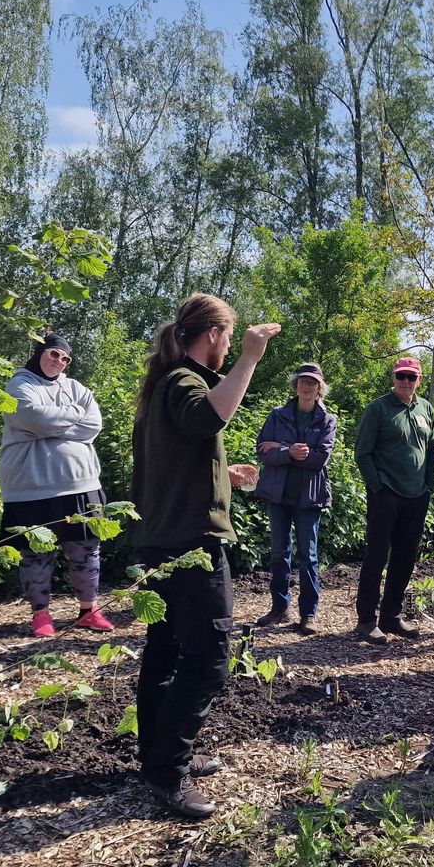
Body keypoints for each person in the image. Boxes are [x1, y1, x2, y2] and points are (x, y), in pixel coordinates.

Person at [131, 293, 280, 818]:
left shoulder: (163, 388)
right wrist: (251, 358)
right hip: (189, 544)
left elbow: (186, 449)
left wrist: (225, 474)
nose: (230, 347)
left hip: (161, 538)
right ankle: (168, 774)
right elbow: (208, 419)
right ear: (214, 335)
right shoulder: (183, 382)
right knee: (210, 659)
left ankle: (157, 756)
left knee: (168, 650)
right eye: (229, 336)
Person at [0, 332, 113, 637]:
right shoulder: (19, 385)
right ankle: (41, 615)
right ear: (39, 352)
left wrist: (52, 425)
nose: (59, 362)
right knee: (36, 552)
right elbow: (31, 416)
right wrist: (72, 418)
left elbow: (94, 423)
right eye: (53, 354)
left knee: (86, 549)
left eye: (65, 358)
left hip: (81, 484)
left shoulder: (75, 387)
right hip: (30, 487)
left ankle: (89, 611)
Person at [353, 356, 434, 644]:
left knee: (405, 558)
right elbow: (362, 452)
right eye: (401, 376)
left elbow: (431, 450)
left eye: (411, 377)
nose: (405, 381)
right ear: (393, 378)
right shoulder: (378, 408)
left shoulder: (426, 408)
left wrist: (428, 485)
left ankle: (391, 616)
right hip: (386, 495)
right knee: (377, 556)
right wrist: (378, 487)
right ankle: (366, 619)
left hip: (416, 496)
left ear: (420, 380)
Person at [253, 363, 338, 635]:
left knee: (308, 556)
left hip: (309, 497)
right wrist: (289, 452)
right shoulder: (278, 415)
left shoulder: (327, 420)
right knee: (279, 553)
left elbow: (319, 459)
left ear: (319, 388)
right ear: (296, 384)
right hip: (278, 495)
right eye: (303, 380)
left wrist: (283, 449)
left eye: (312, 382)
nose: (307, 386)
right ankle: (279, 608)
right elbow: (263, 452)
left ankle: (308, 614)